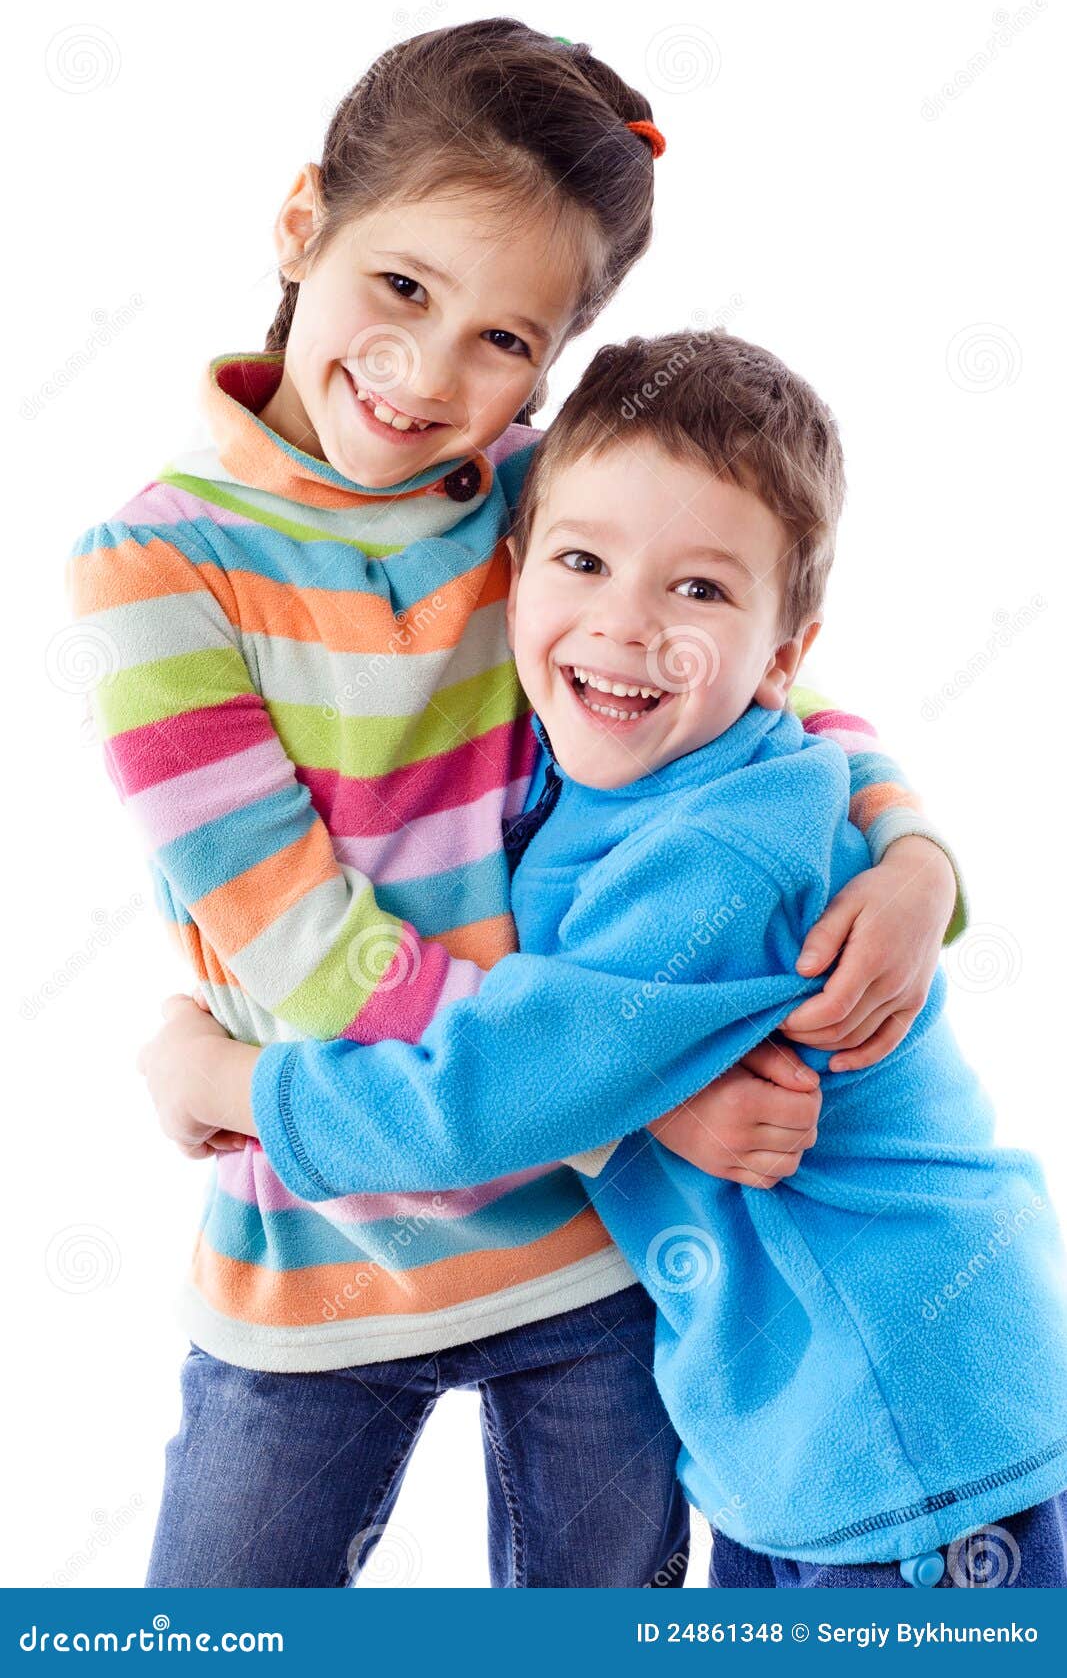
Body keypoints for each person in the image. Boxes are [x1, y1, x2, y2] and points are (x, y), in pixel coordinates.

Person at [71, 19, 962, 1588]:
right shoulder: (157, 571)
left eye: (505, 342)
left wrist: (907, 844)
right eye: (401, 288)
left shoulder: (535, 498)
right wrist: (639, 1089)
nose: (427, 375)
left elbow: (756, 679)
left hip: (592, 1254)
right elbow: (299, 950)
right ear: (301, 225)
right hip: (315, 1251)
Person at [141, 329, 1067, 1588]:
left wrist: (224, 1084)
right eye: (583, 561)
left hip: (907, 1443)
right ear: (513, 583)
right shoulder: (604, 764)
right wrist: (912, 848)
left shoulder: (714, 856)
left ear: (779, 658)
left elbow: (478, 1098)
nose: (628, 624)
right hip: (793, 1447)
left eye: (698, 591)